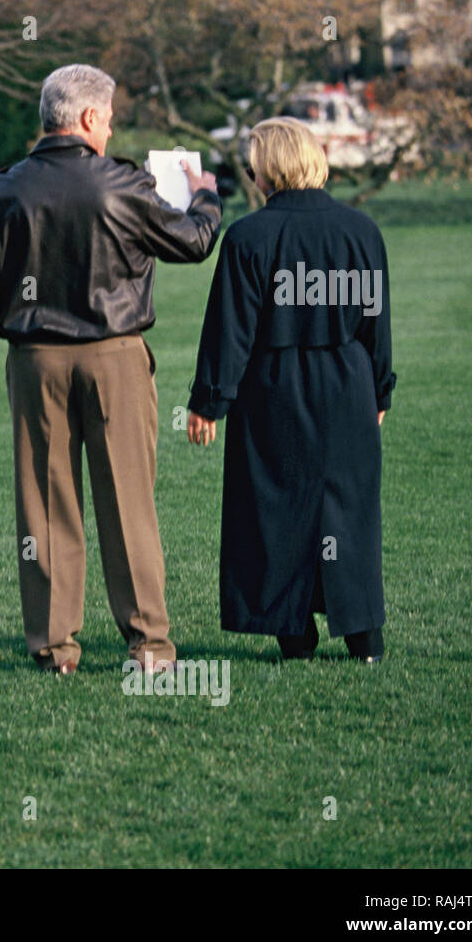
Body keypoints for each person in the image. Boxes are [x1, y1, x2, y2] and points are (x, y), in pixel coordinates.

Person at [0, 64, 221, 674]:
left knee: (46, 506)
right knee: (128, 506)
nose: (110, 131)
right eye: (107, 120)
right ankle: (150, 649)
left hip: (35, 365)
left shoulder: (3, 191)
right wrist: (207, 192)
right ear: (87, 118)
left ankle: (55, 648)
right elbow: (193, 241)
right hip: (117, 361)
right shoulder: (126, 186)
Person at [186, 116, 395, 662]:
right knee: (349, 512)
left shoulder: (249, 237)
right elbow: (377, 322)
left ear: (266, 169)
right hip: (348, 384)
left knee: (276, 508)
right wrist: (380, 392)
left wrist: (209, 402)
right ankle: (363, 639)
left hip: (273, 389)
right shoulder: (361, 232)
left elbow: (230, 329)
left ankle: (293, 633)